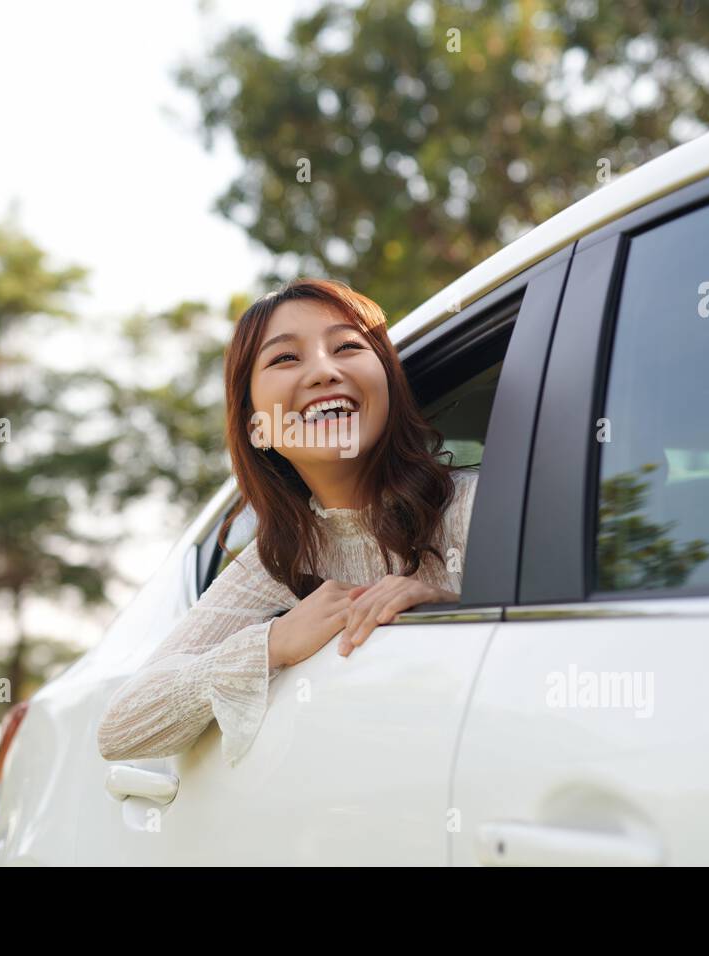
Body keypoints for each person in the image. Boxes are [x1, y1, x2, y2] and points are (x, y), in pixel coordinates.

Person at [97, 278, 478, 767]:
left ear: (388, 383)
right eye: (284, 358)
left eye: (347, 346)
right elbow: (120, 730)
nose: (324, 371)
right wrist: (273, 643)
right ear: (257, 426)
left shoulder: (478, 503)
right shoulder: (278, 560)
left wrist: (453, 605)